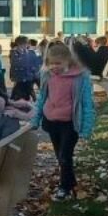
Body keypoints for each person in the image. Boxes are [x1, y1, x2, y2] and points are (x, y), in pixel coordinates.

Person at [31, 39, 97, 198]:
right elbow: (42, 99)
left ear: (68, 61)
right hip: (52, 121)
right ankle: (71, 182)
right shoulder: (47, 76)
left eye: (58, 63)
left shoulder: (80, 78)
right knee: (60, 156)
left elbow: (87, 103)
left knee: (65, 155)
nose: (54, 67)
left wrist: (86, 127)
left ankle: (64, 188)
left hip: (70, 123)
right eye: (51, 63)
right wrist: (35, 119)